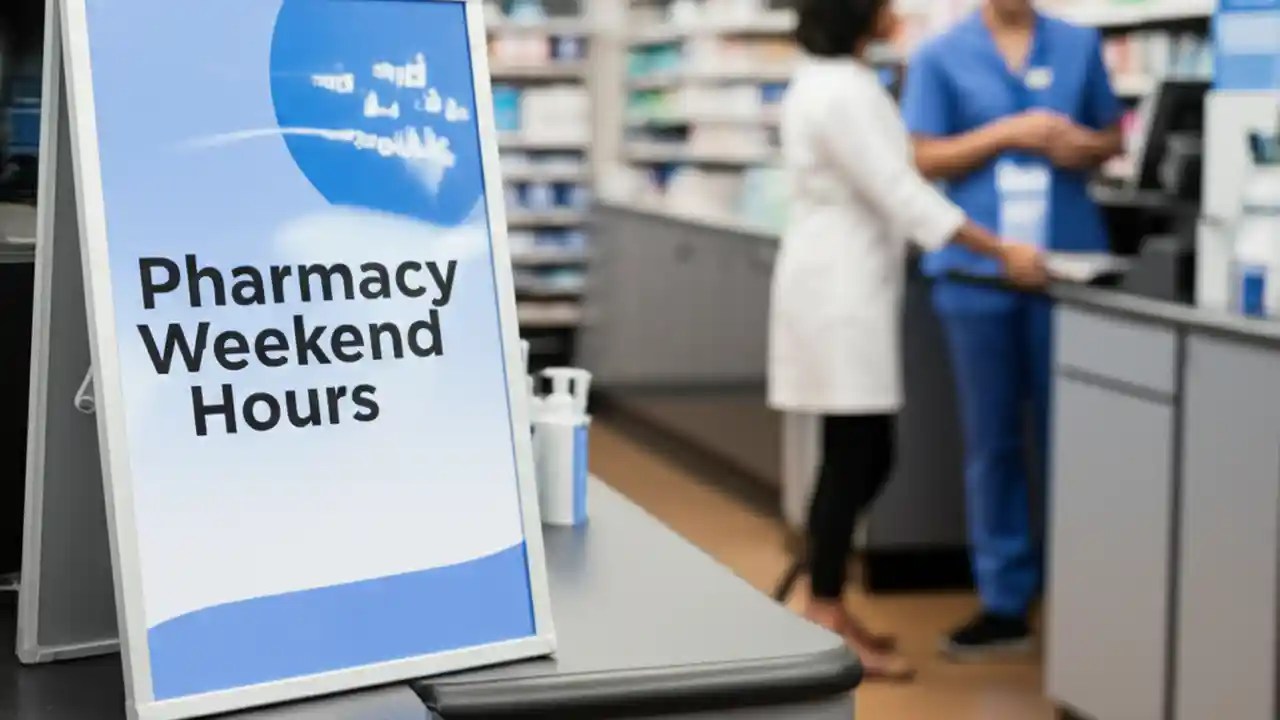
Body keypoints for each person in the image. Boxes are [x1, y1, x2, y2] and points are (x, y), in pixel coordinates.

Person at [769, 0, 1047, 681]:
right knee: (857, 456)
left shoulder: (833, 80)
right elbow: (902, 191)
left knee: (859, 452)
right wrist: (999, 248)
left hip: (841, 281)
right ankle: (825, 608)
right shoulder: (843, 91)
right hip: (840, 290)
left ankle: (827, 600)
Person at [900, 0, 1123, 659]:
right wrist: (1009, 133)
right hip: (979, 273)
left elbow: (1111, 139)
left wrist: (1080, 144)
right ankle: (1005, 604)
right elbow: (925, 157)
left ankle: (1087, 594)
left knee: (1077, 443)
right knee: (993, 441)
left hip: (1068, 272)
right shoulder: (942, 53)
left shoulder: (1079, 45)